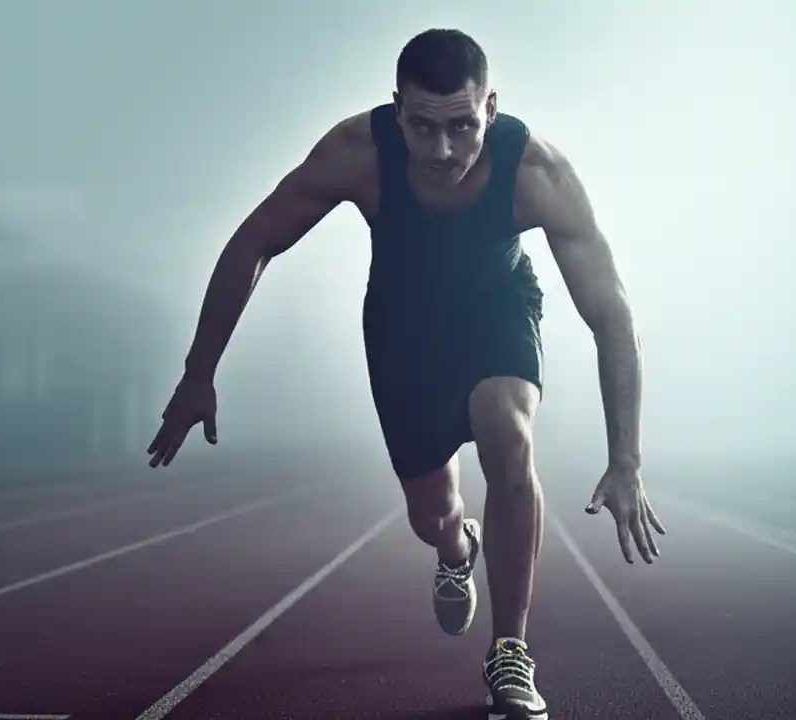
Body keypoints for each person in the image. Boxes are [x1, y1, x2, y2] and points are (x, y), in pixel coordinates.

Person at [147, 28, 666, 720]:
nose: (442, 149)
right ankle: (457, 545)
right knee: (432, 515)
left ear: (490, 109)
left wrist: (626, 458)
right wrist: (198, 371)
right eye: (423, 127)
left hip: (497, 312)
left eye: (461, 126)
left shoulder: (535, 171)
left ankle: (510, 650)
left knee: (507, 430)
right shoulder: (357, 154)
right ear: (397, 113)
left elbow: (612, 314)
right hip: (403, 332)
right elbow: (256, 240)